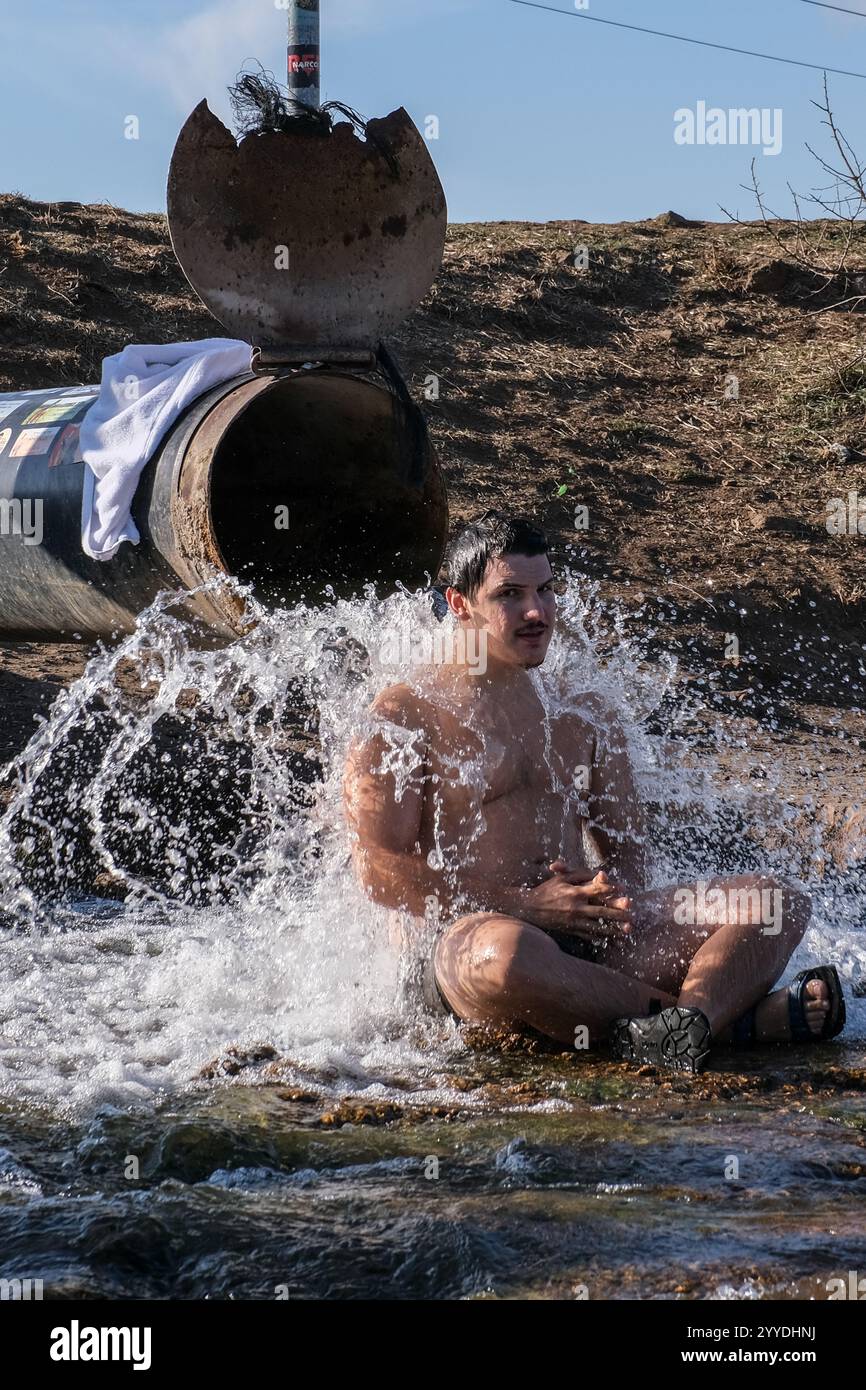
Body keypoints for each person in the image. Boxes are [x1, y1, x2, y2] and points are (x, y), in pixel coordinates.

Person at [343, 512, 845, 1072]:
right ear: (459, 604)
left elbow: (627, 849)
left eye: (546, 590)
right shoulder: (404, 716)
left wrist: (617, 892)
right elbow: (379, 874)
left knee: (775, 901)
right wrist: (529, 905)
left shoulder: (582, 710)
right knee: (507, 958)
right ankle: (736, 1023)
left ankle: (687, 1027)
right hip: (471, 948)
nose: (537, 612)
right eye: (510, 594)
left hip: (589, 939)